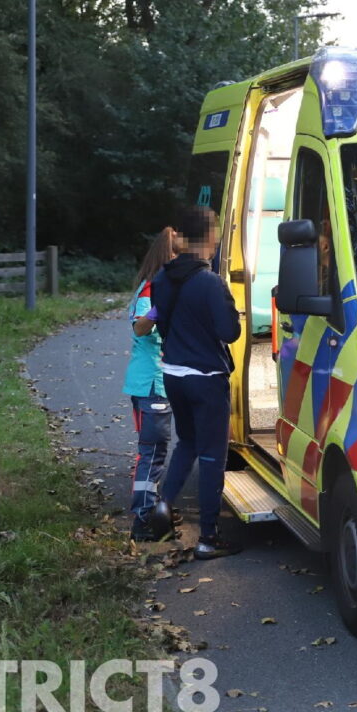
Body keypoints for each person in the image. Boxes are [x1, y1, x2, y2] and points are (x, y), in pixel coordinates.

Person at [144, 206, 242, 559]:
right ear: (212, 238)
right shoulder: (210, 282)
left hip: (173, 374)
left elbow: (163, 323)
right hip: (206, 378)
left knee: (187, 442)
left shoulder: (160, 279)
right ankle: (208, 539)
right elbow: (229, 332)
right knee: (213, 457)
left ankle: (163, 504)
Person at [124, 227, 178, 541]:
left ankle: (149, 509)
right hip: (151, 386)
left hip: (155, 384)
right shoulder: (150, 291)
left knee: (154, 451)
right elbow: (141, 328)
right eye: (178, 252)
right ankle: (143, 521)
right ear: (167, 255)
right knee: (152, 452)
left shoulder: (157, 286)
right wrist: (160, 310)